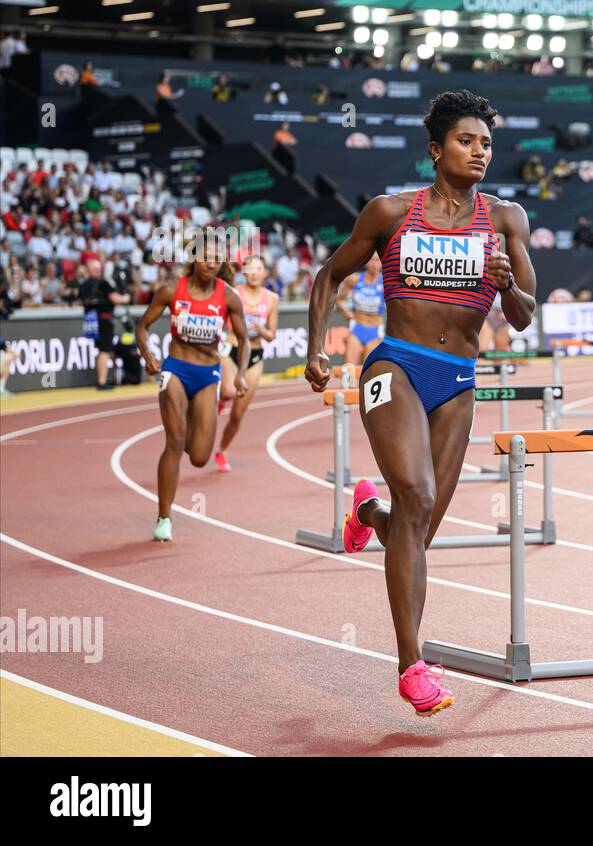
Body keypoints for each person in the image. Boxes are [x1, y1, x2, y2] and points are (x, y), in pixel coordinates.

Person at [304, 89, 537, 717]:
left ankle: (369, 509)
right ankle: (412, 667)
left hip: (458, 378)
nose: (480, 151)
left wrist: (505, 283)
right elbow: (330, 273)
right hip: (397, 366)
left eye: (487, 143)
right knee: (422, 497)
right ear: (436, 150)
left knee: (415, 528)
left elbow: (522, 316)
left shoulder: (506, 219)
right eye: (466, 141)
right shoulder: (390, 211)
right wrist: (318, 348)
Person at [136, 249, 251, 542]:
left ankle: (186, 421)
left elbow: (244, 340)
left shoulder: (228, 297)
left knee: (199, 456)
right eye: (205, 256)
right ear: (195, 259)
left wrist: (239, 373)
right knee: (174, 442)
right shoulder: (172, 289)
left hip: (207, 374)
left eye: (216, 258)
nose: (211, 263)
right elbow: (142, 326)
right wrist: (149, 356)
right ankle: (164, 518)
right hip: (175, 369)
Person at [214, 255, 279, 473]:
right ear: (244, 273)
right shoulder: (235, 293)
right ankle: (222, 397)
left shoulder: (271, 299)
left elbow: (272, 335)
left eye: (258, 268)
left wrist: (261, 330)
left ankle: (222, 451)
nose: (254, 273)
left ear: (264, 272)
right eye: (249, 269)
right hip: (232, 349)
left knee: (238, 414)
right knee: (230, 390)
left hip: (255, 354)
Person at [80, 259, 130, 390]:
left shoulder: (84, 284)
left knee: (102, 349)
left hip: (90, 320)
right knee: (105, 349)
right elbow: (114, 298)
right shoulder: (103, 283)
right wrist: (125, 298)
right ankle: (102, 382)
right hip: (103, 319)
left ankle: (104, 378)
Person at [334, 251, 386, 366]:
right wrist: (346, 312)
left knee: (368, 370)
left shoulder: (385, 282)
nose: (374, 264)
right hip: (357, 328)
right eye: (371, 260)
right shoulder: (354, 279)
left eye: (377, 260)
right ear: (366, 262)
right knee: (348, 369)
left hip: (375, 331)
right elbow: (338, 300)